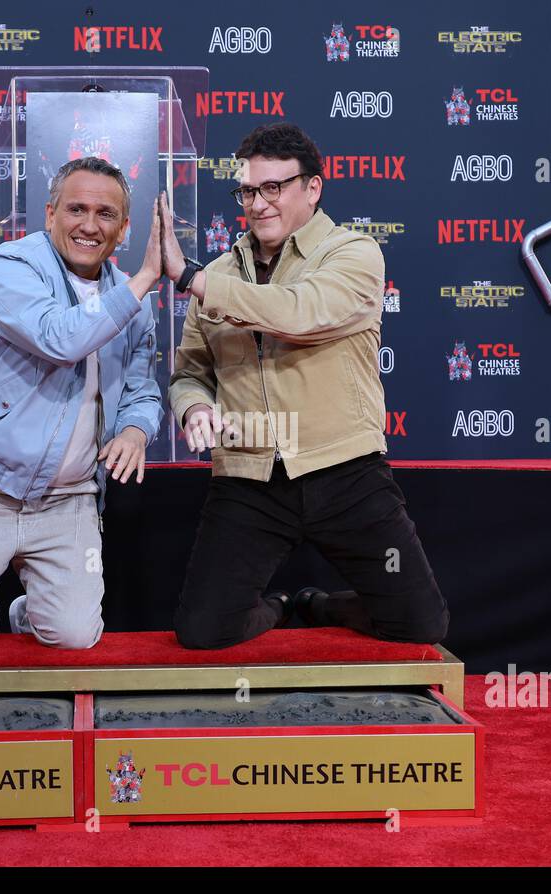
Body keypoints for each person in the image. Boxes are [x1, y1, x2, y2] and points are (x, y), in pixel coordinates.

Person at [164, 122, 449, 649]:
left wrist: (191, 278)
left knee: (420, 624)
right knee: (203, 632)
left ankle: (319, 605)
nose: (257, 204)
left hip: (344, 471)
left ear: (312, 187)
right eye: (248, 190)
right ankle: (275, 607)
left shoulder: (354, 254)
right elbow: (190, 372)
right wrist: (194, 410)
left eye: (273, 188)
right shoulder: (222, 272)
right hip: (247, 475)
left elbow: (299, 314)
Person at [0, 157, 163, 648]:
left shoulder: (132, 299)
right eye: (76, 209)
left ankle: (30, 608)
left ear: (124, 227)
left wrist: (135, 430)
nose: (90, 225)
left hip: (69, 500)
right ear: (50, 215)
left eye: (106, 214)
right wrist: (146, 277)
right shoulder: (8, 267)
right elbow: (58, 338)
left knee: (73, 638)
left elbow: (141, 388)